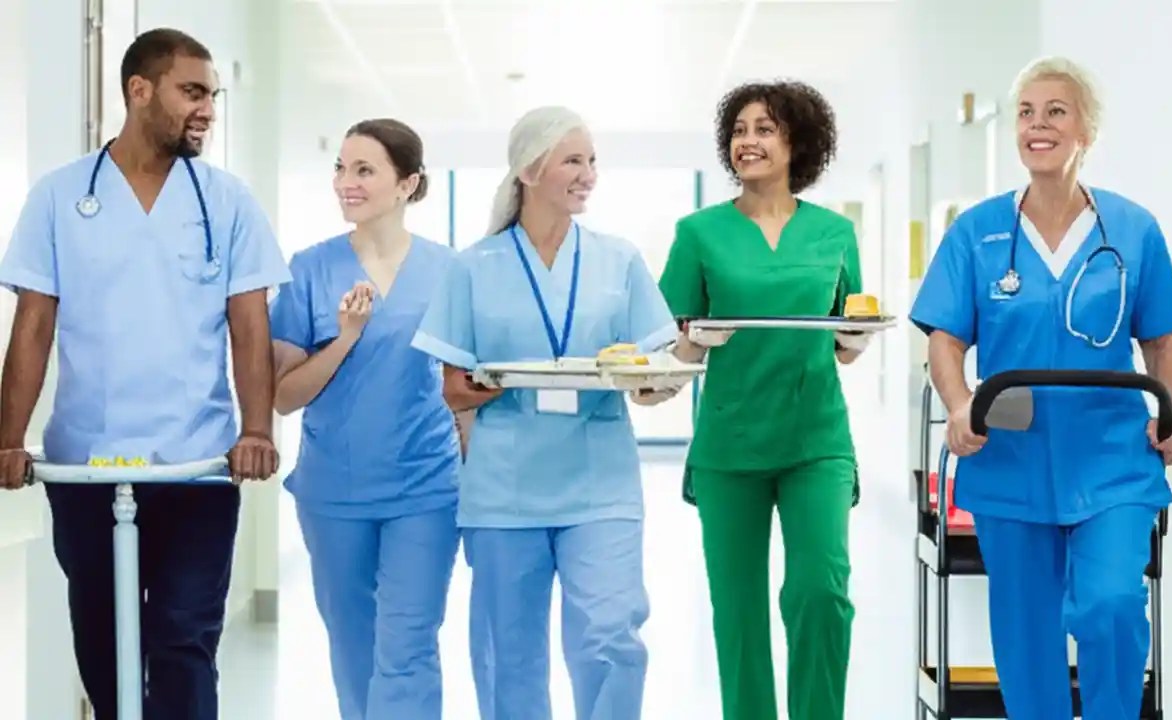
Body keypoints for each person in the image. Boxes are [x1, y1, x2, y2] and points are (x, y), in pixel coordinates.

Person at [0, 28, 289, 720]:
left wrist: (255, 429)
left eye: (212, 96)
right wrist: (9, 439)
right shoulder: (60, 198)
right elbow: (33, 327)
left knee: (183, 638)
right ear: (139, 90)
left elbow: (249, 327)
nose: (208, 110)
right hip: (87, 466)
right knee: (104, 643)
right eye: (192, 92)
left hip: (197, 467)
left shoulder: (228, 201)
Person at [908, 56, 1172, 719]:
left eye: (1056, 111)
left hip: (1113, 457)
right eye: (1027, 113)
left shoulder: (1133, 229)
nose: (1039, 125)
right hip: (1011, 459)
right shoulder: (978, 233)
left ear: (1086, 129)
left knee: (1110, 603)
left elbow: (1161, 339)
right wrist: (958, 406)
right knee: (1026, 631)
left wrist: (1169, 414)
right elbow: (944, 339)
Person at [411, 105, 678, 720]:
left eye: (591, 161)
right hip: (506, 488)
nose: (588, 174)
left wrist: (652, 387)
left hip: (600, 482)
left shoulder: (620, 260)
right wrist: (484, 387)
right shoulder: (472, 267)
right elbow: (452, 388)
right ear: (530, 171)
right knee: (510, 654)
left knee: (612, 637)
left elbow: (652, 369)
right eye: (573, 160)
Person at [657, 80, 869, 720]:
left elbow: (846, 337)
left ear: (797, 143)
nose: (746, 141)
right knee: (738, 608)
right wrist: (695, 345)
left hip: (815, 439)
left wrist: (857, 341)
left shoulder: (834, 233)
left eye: (764, 129)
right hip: (731, 441)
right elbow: (675, 342)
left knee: (821, 591)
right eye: (740, 129)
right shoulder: (698, 233)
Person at [270, 118, 483, 719]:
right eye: (340, 167)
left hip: (426, 489)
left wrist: (478, 483)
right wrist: (344, 339)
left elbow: (461, 393)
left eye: (364, 170)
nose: (345, 182)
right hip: (333, 491)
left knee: (410, 645)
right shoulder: (309, 268)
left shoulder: (450, 273)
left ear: (407, 184)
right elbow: (283, 396)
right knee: (353, 643)